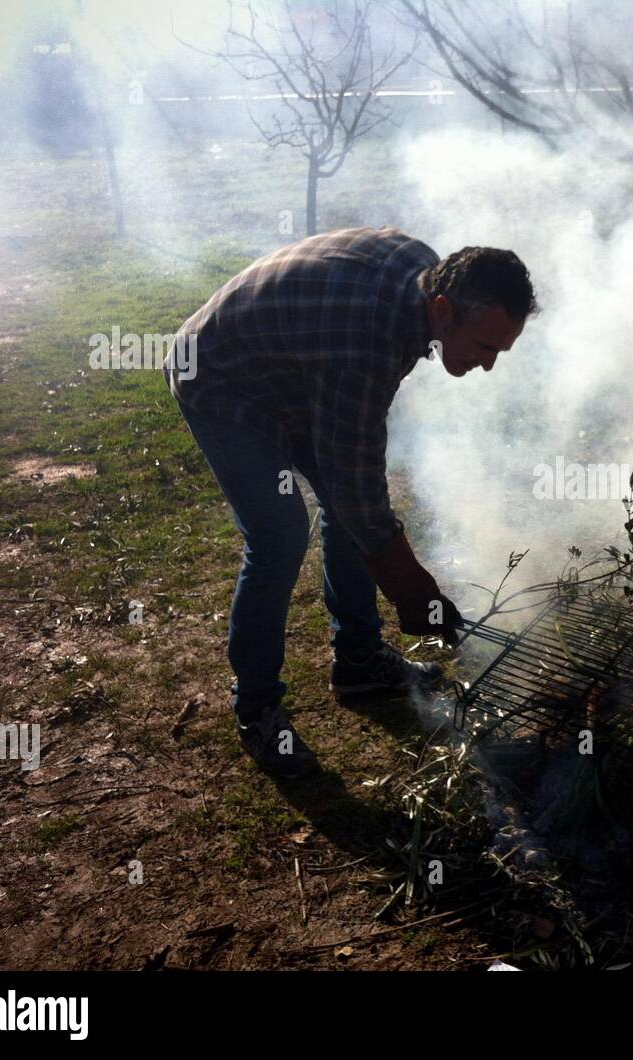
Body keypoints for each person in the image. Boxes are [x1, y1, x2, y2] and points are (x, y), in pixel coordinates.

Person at [165, 226, 536, 779]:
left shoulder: (424, 282)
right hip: (220, 378)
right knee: (279, 536)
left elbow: (353, 478)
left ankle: (359, 661)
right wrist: (412, 590)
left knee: (348, 507)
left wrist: (399, 571)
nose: (488, 366)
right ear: (441, 309)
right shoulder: (366, 338)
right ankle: (257, 708)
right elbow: (357, 484)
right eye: (485, 347)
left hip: (294, 369)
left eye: (500, 351)